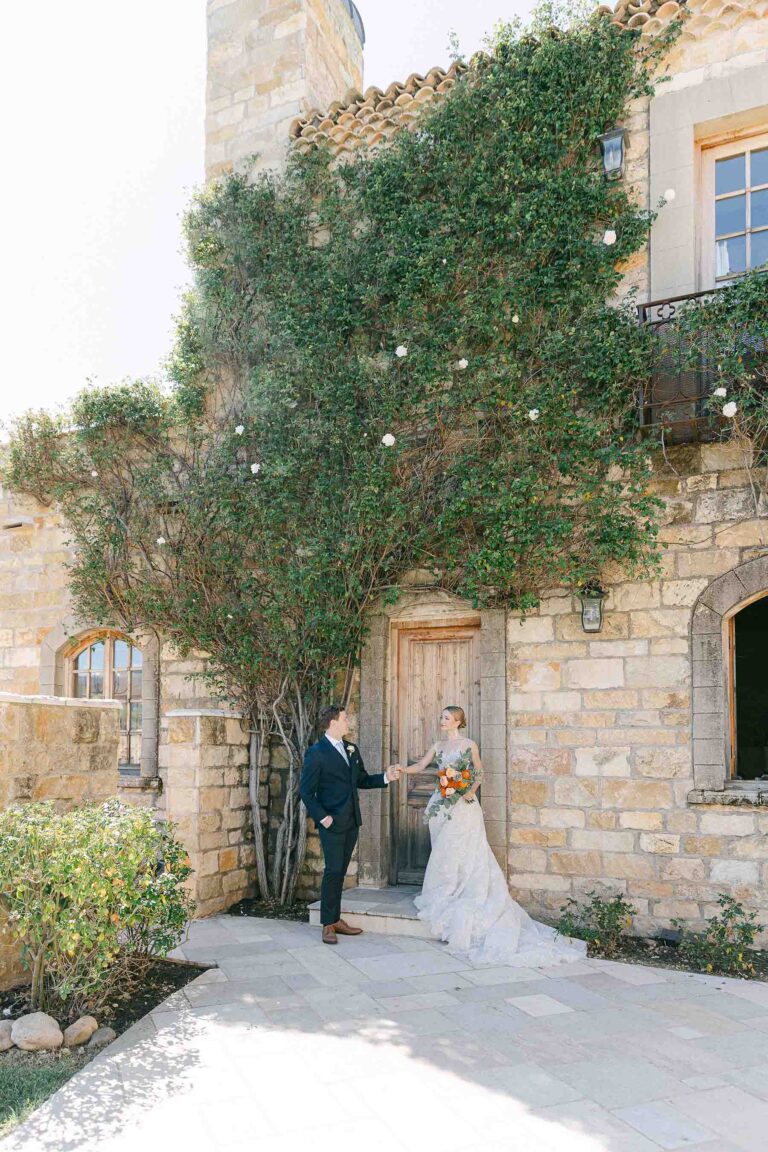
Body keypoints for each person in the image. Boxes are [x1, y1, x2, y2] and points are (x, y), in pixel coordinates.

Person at [398, 705, 587, 966]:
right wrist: (401, 770)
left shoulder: (468, 744)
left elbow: (479, 772)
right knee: (444, 849)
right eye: (441, 717)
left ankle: (465, 889)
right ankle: (445, 889)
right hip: (441, 803)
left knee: (463, 848)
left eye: (445, 717)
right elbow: (421, 765)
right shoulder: (439, 746)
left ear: (457, 721)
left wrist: (469, 790)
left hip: (463, 805)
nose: (441, 720)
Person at [300, 705, 401, 945]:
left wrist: (387, 777)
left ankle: (335, 919)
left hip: (352, 821)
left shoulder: (351, 749)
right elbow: (305, 791)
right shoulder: (317, 752)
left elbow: (362, 780)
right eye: (345, 718)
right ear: (333, 722)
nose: (349, 722)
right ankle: (327, 924)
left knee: (340, 872)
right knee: (333, 871)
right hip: (332, 823)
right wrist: (323, 817)